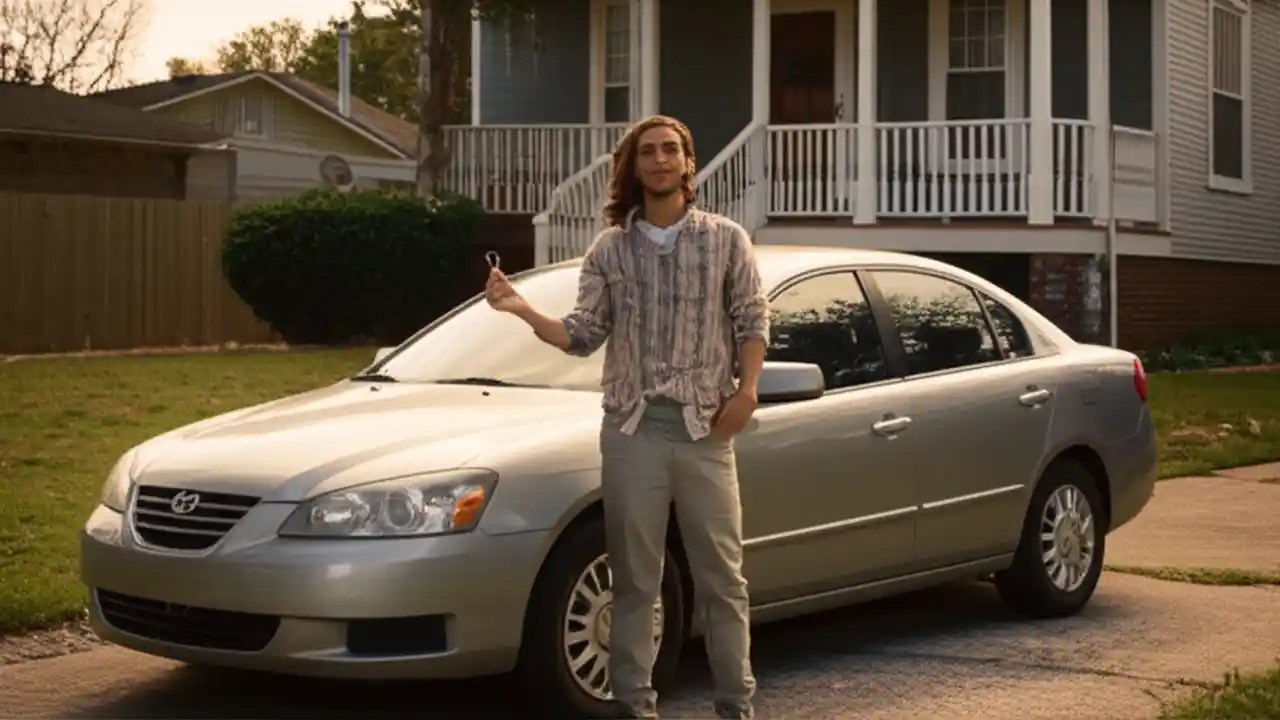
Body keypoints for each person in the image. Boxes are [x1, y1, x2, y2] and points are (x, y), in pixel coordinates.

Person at [484, 114, 769, 720]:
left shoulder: (726, 240)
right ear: (633, 167)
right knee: (636, 581)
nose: (661, 161)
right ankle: (635, 705)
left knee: (724, 581)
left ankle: (735, 705)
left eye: (671, 151)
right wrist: (521, 309)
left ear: (688, 163)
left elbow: (752, 319)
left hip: (705, 433)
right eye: (649, 153)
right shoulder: (609, 250)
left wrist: (747, 392)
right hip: (632, 433)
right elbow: (582, 335)